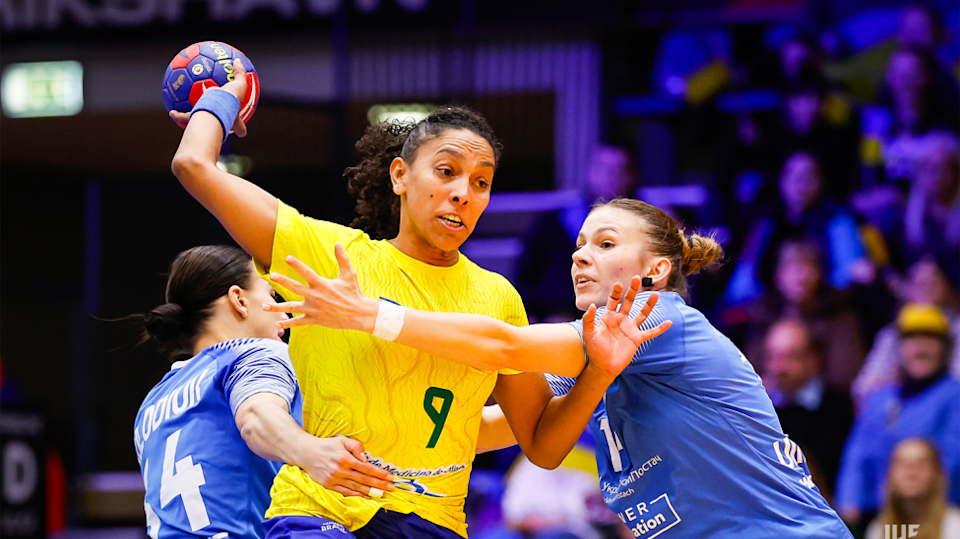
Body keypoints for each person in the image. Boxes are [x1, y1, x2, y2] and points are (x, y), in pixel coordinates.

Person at [168, 60, 668, 539]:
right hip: (319, 510)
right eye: (446, 172)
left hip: (431, 522)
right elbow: (194, 165)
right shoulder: (325, 250)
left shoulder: (496, 297)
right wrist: (224, 97)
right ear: (400, 177)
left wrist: (599, 373)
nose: (463, 194)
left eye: (481, 182)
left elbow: (541, 443)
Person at [266, 198, 853, 537]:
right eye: (579, 243)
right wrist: (383, 440)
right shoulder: (600, 354)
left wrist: (372, 315)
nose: (580, 254)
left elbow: (504, 347)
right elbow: (515, 426)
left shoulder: (657, 319)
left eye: (604, 243)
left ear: (652, 272)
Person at [133, 245, 393, 539]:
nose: (283, 315)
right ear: (239, 300)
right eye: (271, 296)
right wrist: (309, 451)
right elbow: (256, 414)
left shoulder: (152, 403)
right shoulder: (254, 351)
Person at [835, 303, 960, 526]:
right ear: (899, 348)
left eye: (930, 339)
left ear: (945, 348)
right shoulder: (880, 398)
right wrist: (850, 500)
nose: (920, 348)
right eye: (911, 339)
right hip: (877, 514)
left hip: (936, 514)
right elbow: (856, 454)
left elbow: (952, 459)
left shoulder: (954, 395)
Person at [762, 318, 855, 503]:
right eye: (773, 357)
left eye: (790, 357)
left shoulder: (839, 407)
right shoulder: (760, 407)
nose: (778, 368)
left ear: (814, 359)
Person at [853, 257, 960, 402]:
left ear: (947, 287)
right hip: (903, 410)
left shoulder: (956, 329)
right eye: (919, 283)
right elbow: (862, 390)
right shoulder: (891, 334)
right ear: (907, 290)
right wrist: (901, 378)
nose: (926, 287)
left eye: (934, 281)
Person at [866, 438, 960, 539]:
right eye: (903, 463)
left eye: (921, 464)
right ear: (889, 474)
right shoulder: (879, 529)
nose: (911, 472)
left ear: (938, 473)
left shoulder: (954, 526)